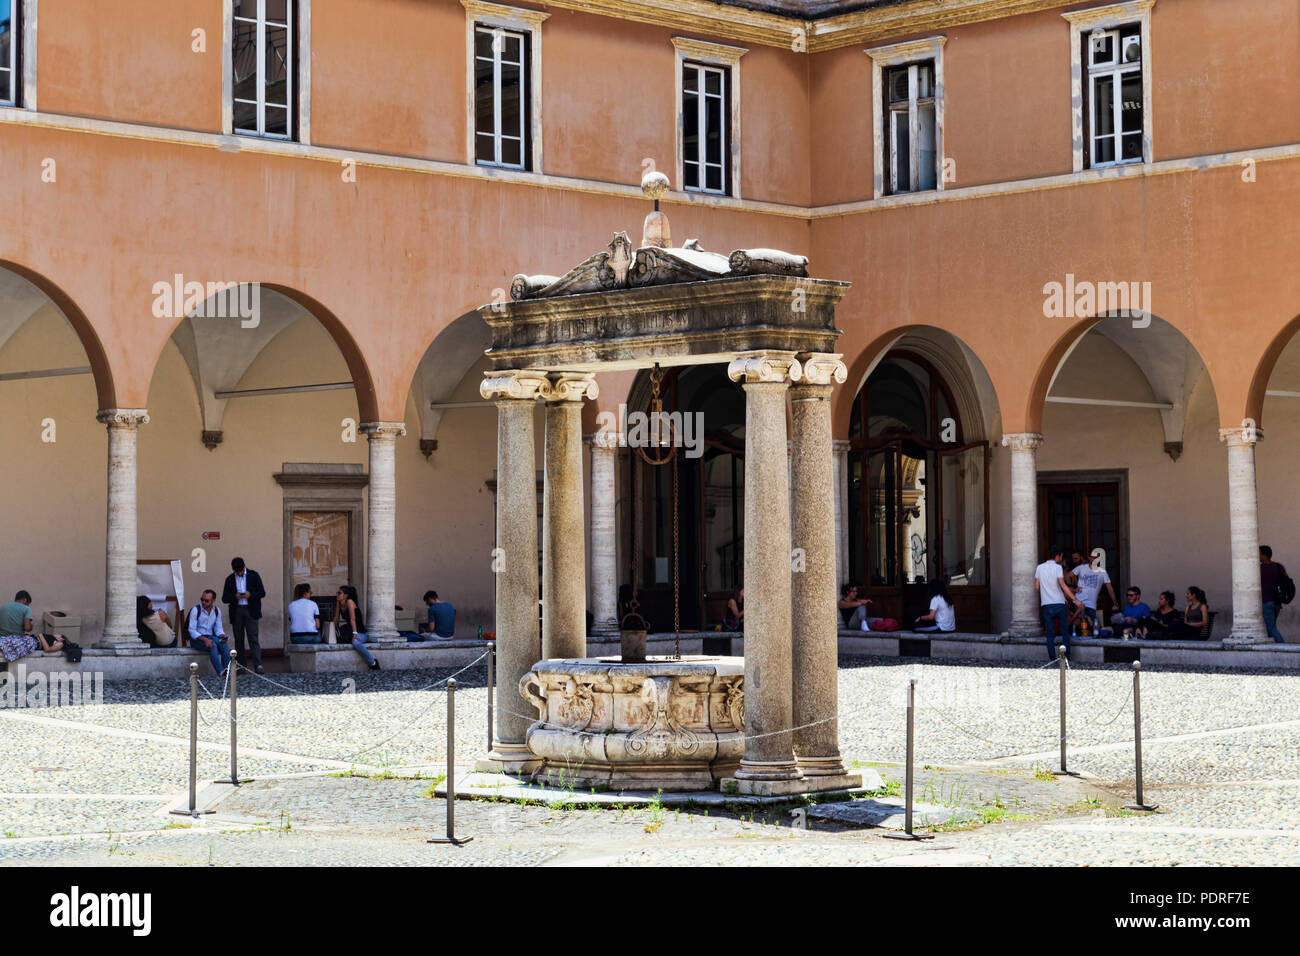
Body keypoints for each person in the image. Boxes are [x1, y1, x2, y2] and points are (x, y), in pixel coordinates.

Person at [223, 557, 267, 674]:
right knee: (239, 639)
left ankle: (258, 665)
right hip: (237, 610)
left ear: (244, 567)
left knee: (253, 638)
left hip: (251, 609)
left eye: (240, 571)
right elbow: (224, 598)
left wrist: (250, 595)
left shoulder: (253, 575)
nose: (239, 573)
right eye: (237, 572)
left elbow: (262, 592)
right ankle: (241, 666)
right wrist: (235, 597)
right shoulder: (230, 579)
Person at [1035, 548, 1079, 659]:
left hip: (1047, 604)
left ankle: (1053, 659)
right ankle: (1066, 659)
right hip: (1059, 603)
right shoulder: (1058, 567)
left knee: (1050, 635)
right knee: (1065, 632)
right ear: (1057, 556)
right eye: (1060, 556)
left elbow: (1036, 587)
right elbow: (1063, 585)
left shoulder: (1039, 568)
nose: (1061, 558)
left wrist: (1046, 592)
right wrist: (1075, 599)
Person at [0, 590, 65, 651]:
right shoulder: (26, 609)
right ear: (24, 600)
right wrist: (31, 626)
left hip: (3, 638)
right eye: (28, 604)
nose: (28, 606)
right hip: (17, 639)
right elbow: (27, 628)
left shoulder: (3, 608)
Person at [1072, 549, 1118, 633]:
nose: (1094, 559)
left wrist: (1115, 603)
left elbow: (1110, 589)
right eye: (1093, 557)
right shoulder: (1081, 568)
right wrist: (1074, 588)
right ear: (1089, 558)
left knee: (1092, 626)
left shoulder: (1102, 572)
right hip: (1079, 601)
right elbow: (1068, 576)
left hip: (1091, 604)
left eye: (1096, 558)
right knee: (1080, 624)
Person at [187, 589, 231, 674]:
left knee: (224, 644)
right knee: (213, 645)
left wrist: (222, 635)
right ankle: (220, 672)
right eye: (202, 599)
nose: (203, 602)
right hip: (196, 639)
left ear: (213, 600)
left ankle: (228, 671)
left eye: (206, 600)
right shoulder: (195, 610)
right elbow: (191, 630)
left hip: (210, 637)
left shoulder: (216, 610)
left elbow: (218, 628)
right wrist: (205, 639)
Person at [336, 585, 378, 670]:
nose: (337, 594)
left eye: (339, 593)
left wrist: (355, 633)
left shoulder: (350, 602)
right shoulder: (339, 603)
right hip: (349, 629)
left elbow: (353, 619)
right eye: (337, 593)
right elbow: (336, 618)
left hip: (359, 632)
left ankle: (373, 662)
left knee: (356, 643)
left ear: (346, 595)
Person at [1260, 545, 1288, 644]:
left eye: (1259, 553)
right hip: (1277, 602)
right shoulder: (1279, 566)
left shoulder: (1258, 569)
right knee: (1270, 627)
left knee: (1271, 628)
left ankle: (1283, 647)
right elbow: (1286, 581)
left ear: (1264, 555)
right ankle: (1272, 650)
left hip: (1266, 602)